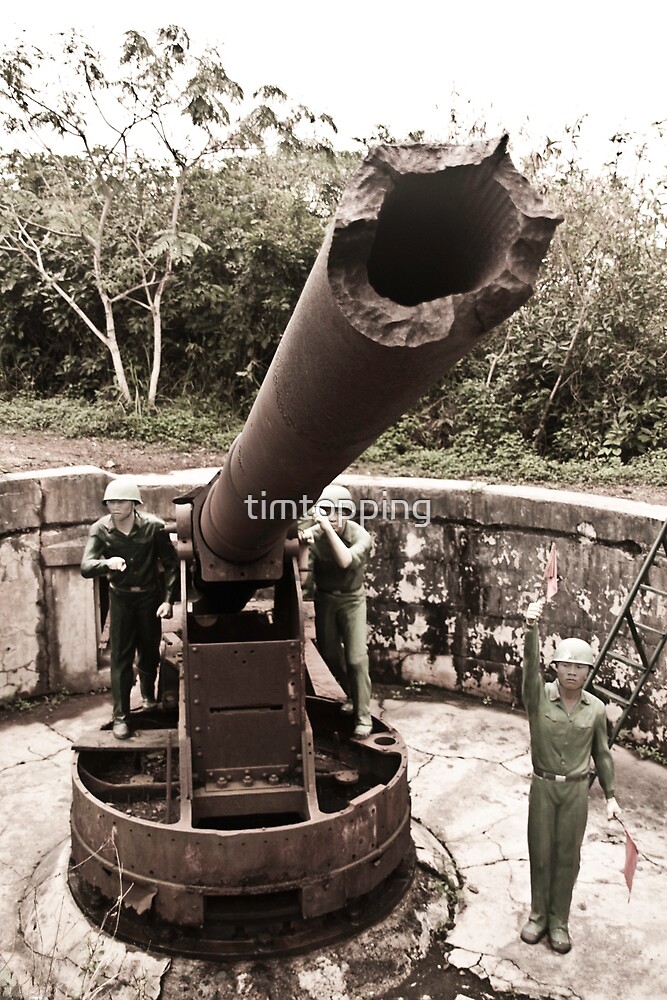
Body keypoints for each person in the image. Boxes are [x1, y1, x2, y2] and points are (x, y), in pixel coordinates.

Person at [520, 598, 621, 954]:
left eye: (580, 667)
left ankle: (559, 920)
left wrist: (611, 796)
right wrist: (531, 628)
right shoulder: (538, 697)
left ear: (589, 671)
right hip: (543, 787)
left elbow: (602, 754)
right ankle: (537, 916)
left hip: (577, 792)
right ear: (556, 667)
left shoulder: (596, 710)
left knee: (568, 857)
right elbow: (529, 666)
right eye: (566, 665)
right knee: (540, 853)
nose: (573, 672)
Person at [81, 477, 179, 739]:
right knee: (120, 659)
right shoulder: (100, 530)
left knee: (149, 653)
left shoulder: (154, 527)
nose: (114, 506)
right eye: (110, 502)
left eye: (121, 501)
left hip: (149, 598)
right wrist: (107, 563)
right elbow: (85, 566)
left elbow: (171, 564)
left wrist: (168, 600)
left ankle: (148, 690)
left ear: (134, 503)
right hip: (121, 599)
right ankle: (121, 716)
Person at [300, 484, 373, 739]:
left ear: (348, 513)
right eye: (327, 511)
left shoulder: (361, 536)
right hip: (325, 599)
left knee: (356, 658)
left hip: (352, 600)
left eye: (339, 512)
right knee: (330, 654)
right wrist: (303, 544)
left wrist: (326, 530)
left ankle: (363, 716)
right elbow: (302, 581)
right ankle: (351, 694)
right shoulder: (317, 535)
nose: (333, 517)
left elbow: (345, 561)